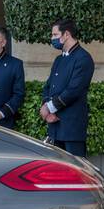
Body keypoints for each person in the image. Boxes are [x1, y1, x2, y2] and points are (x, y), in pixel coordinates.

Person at [41, 16, 94, 157]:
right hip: (54, 125)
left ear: (66, 35)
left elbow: (74, 90)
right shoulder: (59, 59)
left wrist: (49, 108)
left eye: (55, 35)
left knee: (75, 171)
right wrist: (46, 108)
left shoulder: (83, 58)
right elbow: (48, 86)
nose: (52, 38)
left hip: (72, 127)